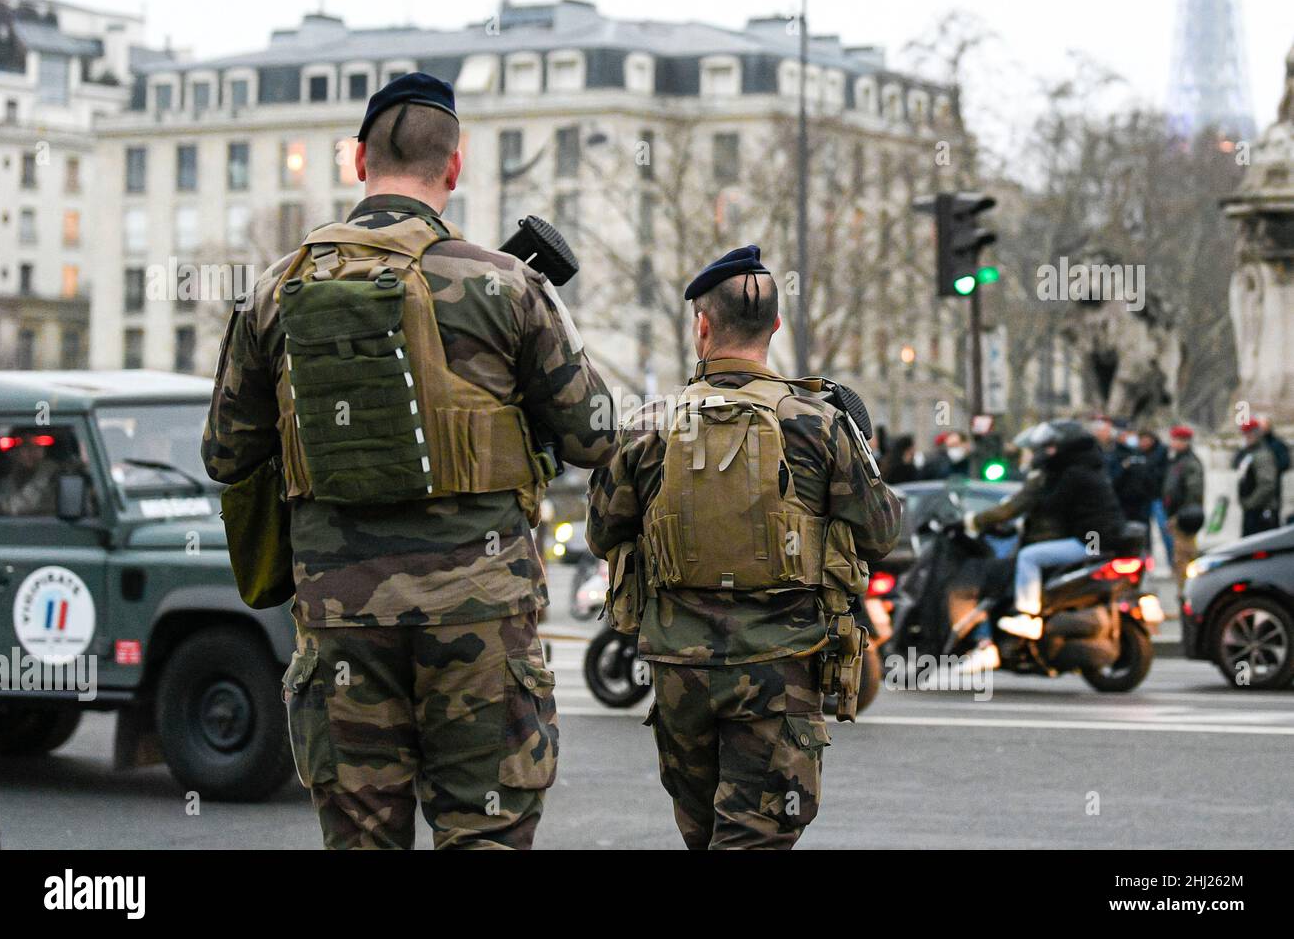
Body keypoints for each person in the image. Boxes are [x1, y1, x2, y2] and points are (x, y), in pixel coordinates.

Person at [202, 73, 614, 849]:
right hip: (481, 619)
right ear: (453, 170)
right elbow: (596, 436)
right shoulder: (506, 285)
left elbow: (226, 453)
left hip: (341, 620)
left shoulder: (275, 290)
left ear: (358, 160)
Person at [586, 245, 901, 849]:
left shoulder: (650, 425)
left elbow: (604, 532)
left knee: (704, 836)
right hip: (780, 671)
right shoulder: (819, 422)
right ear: (775, 327)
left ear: (701, 325)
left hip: (682, 676)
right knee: (754, 838)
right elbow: (882, 531)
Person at [963, 420, 1126, 670]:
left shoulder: (1072, 475)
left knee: (1029, 556)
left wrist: (1038, 499)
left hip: (1089, 541)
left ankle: (1028, 615)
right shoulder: (1091, 469)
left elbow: (1052, 504)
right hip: (1101, 538)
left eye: (1050, 449)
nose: (1047, 454)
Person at [1162, 425, 1205, 595]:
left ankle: (1188, 593)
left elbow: (1193, 493)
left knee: (1185, 557)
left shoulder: (1189, 462)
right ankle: (1185, 591)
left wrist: (1181, 516)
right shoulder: (1178, 460)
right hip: (1177, 515)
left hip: (1184, 518)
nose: (1173, 443)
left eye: (1176, 440)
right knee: (1181, 557)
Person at [0, 429, 65, 516]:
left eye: (38, 446)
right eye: (26, 446)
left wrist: (46, 472)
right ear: (14, 452)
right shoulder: (5, 482)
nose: (33, 451)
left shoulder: (58, 478)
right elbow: (12, 508)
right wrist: (43, 475)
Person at [1235, 419, 1279, 536]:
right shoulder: (1249, 453)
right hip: (1252, 510)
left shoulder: (1262, 455)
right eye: (1245, 434)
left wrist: (1250, 503)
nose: (1246, 437)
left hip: (1261, 510)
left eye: (1249, 434)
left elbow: (1267, 484)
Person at [1139, 428, 1173, 565]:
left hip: (1159, 498)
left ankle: (1172, 562)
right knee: (1145, 534)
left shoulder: (1162, 453)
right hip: (1144, 498)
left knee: (1165, 531)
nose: (1143, 443)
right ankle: (1148, 563)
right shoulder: (1138, 454)